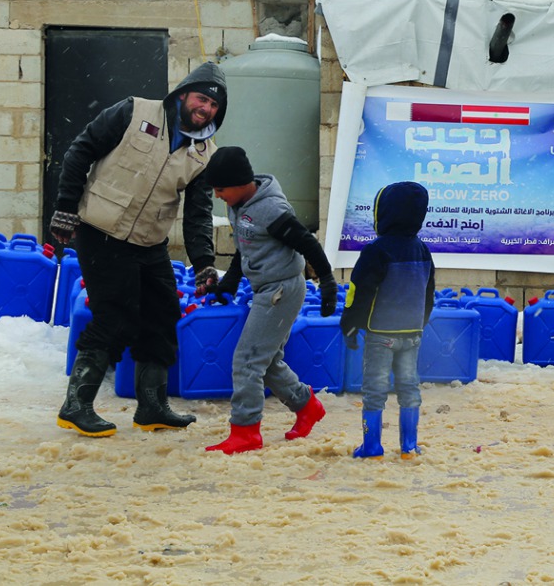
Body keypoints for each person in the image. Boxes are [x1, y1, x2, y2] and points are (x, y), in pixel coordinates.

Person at [50, 61, 228, 437]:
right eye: (201, 99)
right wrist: (66, 208)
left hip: (149, 241)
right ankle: (76, 405)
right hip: (100, 230)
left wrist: (205, 264)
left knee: (162, 316)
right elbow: (80, 151)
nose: (206, 109)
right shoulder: (135, 111)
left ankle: (152, 407)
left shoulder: (205, 153)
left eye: (214, 105)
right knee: (114, 315)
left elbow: (197, 214)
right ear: (183, 95)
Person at [201, 146, 340, 455]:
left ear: (239, 183)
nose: (218, 195)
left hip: (281, 290)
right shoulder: (240, 205)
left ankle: (246, 431)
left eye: (220, 189)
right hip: (265, 287)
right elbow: (245, 244)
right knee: (266, 360)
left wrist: (328, 282)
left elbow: (307, 243)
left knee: (247, 360)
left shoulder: (272, 210)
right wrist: (229, 283)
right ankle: (307, 406)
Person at [340, 181, 435, 460]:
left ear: (384, 213)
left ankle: (372, 447)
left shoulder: (376, 250)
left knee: (374, 390)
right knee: (409, 387)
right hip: (413, 332)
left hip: (381, 333)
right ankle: (409, 447)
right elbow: (429, 291)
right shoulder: (423, 250)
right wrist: (422, 321)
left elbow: (359, 291)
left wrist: (350, 322)